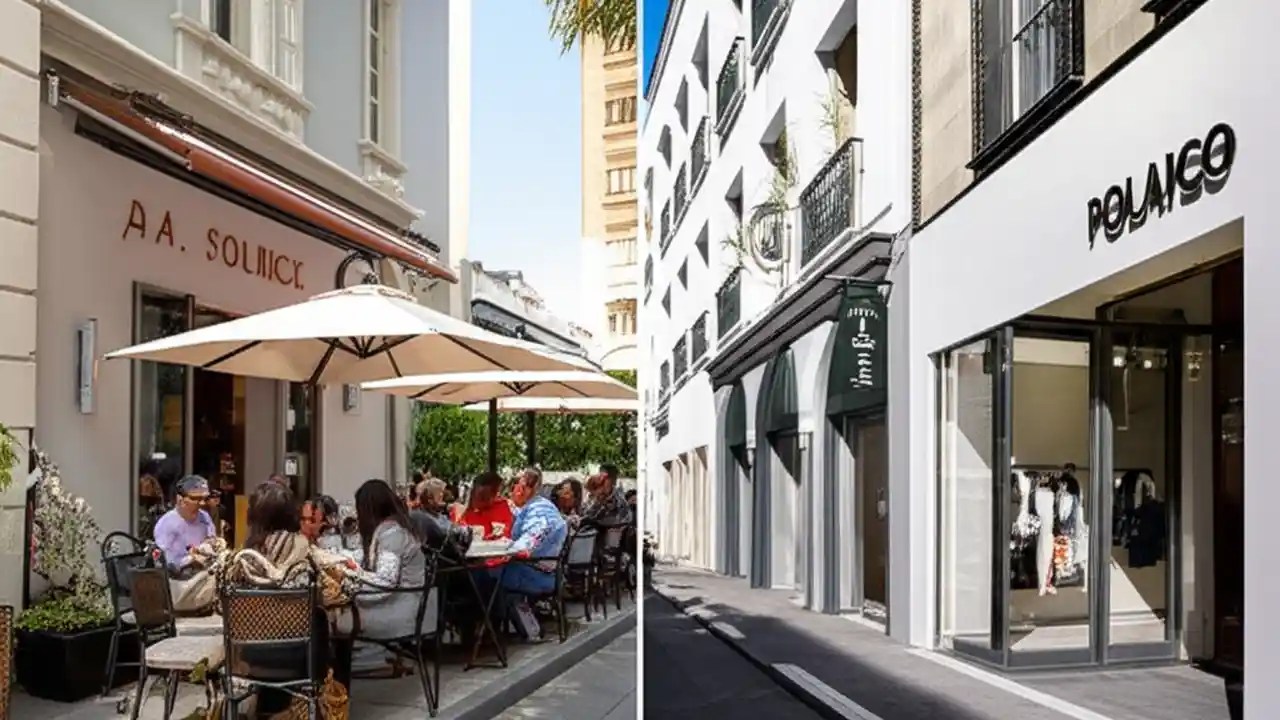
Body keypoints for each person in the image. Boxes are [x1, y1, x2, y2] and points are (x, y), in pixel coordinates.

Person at [335, 479, 428, 641]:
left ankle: (342, 664)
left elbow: (385, 582)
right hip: (407, 604)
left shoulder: (392, 536)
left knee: (335, 620)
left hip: (401, 610)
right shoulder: (395, 530)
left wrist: (354, 576)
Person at [152, 475, 217, 572]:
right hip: (177, 580)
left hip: (203, 575)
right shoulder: (167, 524)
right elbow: (162, 562)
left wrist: (213, 545)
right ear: (180, 500)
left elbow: (212, 541)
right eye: (196, 498)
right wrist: (191, 559)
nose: (202, 503)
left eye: (205, 498)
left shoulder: (204, 517)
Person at [457, 472, 514, 540]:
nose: (476, 500)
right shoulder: (465, 513)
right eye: (474, 495)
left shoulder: (501, 507)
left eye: (483, 497)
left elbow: (506, 533)